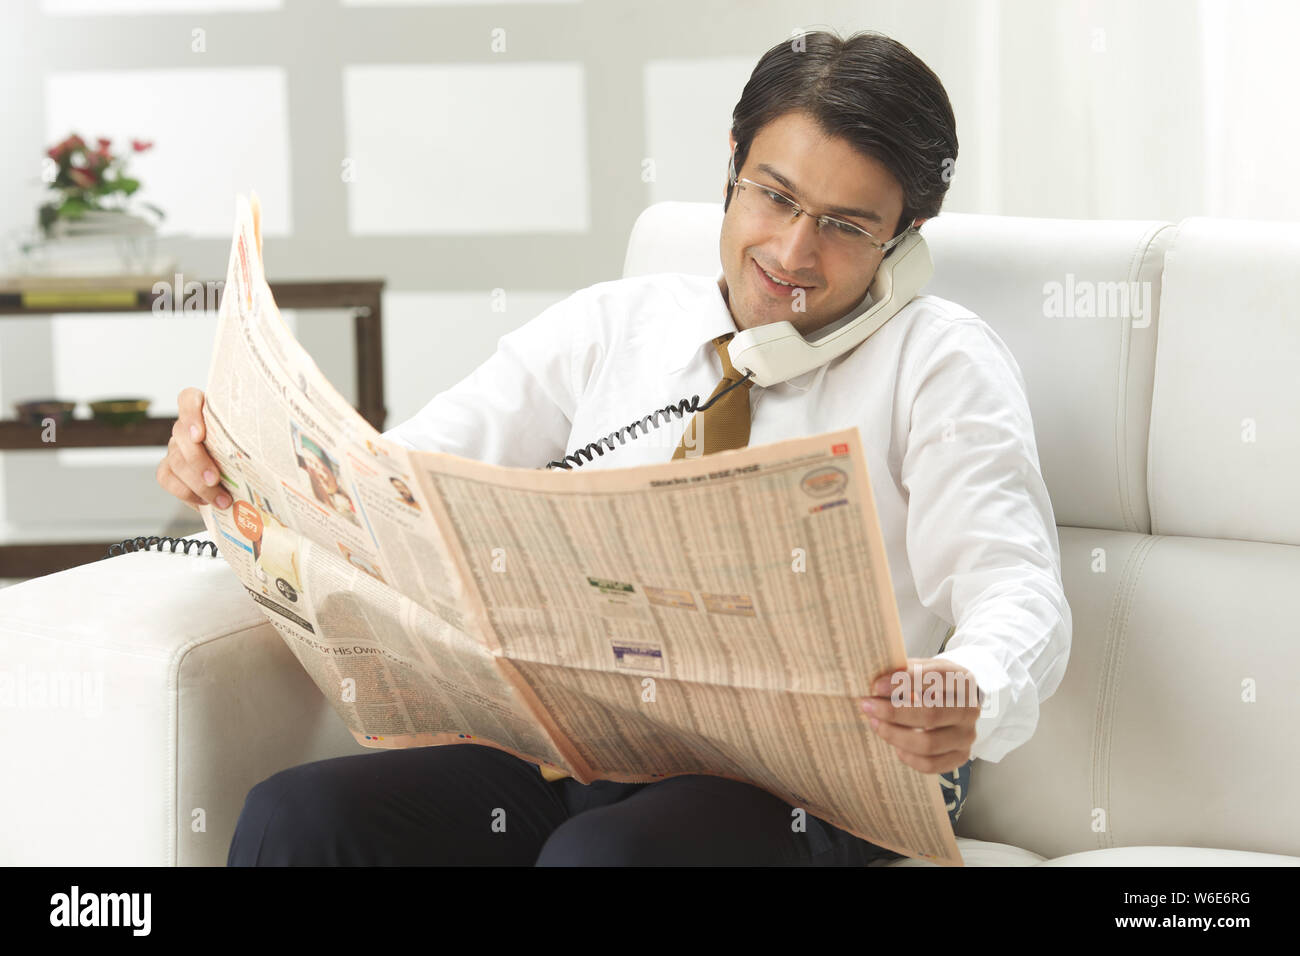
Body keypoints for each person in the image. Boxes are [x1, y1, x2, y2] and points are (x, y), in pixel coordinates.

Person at [157, 29, 1070, 866]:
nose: (793, 251)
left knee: (606, 861)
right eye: (775, 195)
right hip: (580, 751)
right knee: (297, 818)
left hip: (810, 793)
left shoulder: (940, 361)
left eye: (846, 225)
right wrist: (234, 465)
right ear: (731, 168)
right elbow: (398, 480)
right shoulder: (611, 326)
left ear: (903, 240)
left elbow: (1016, 590)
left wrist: (969, 688)